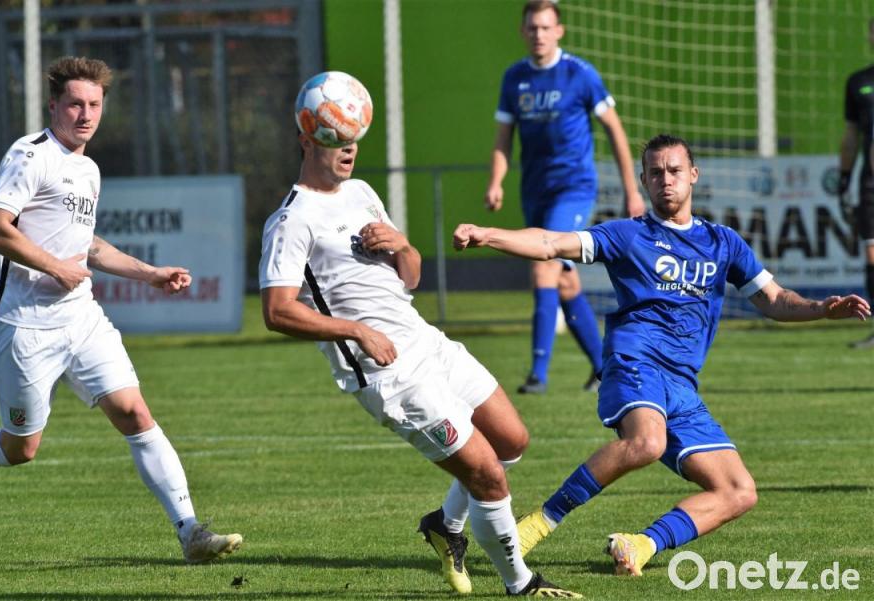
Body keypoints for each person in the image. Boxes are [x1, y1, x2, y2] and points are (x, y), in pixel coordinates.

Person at [455, 134, 870, 576]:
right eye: (655, 173)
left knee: (739, 491)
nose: (665, 180)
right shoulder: (628, 235)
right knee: (647, 443)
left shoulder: (723, 242)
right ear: (644, 181)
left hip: (682, 386)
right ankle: (535, 526)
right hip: (637, 364)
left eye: (674, 171)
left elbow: (774, 299)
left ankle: (641, 544)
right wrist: (487, 235)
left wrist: (822, 309)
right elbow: (550, 244)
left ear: (693, 176)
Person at [259, 78, 579, 599]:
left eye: (355, 140)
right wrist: (357, 331)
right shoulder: (291, 221)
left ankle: (444, 525)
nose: (350, 151)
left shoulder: (361, 193)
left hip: (426, 342)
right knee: (489, 479)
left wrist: (405, 245)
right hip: (389, 375)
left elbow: (410, 275)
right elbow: (277, 312)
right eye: (338, 141)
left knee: (512, 442)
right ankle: (522, 585)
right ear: (307, 139)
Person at [0, 56, 241, 564]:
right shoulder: (30, 155)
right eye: (74, 104)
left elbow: (87, 247)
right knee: (21, 447)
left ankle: (191, 532)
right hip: (23, 326)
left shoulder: (88, 168)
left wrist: (147, 272)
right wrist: (55, 268)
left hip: (81, 318)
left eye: (94, 104)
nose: (85, 114)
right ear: (54, 106)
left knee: (135, 412)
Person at [485, 0, 645, 394]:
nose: (539, 34)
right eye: (532, 28)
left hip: (574, 189)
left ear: (559, 31)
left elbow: (615, 130)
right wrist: (496, 181)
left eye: (545, 27)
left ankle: (537, 375)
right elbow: (504, 140)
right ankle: (603, 367)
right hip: (534, 191)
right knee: (566, 284)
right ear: (523, 32)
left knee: (543, 266)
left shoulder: (579, 73)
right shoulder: (514, 79)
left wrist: (631, 190)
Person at [838, 18, 874, 349]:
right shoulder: (859, 82)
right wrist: (844, 176)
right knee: (873, 254)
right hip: (870, 183)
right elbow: (851, 136)